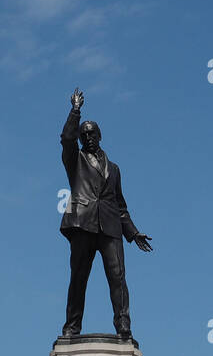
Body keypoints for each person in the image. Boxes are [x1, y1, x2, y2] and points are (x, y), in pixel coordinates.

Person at [59, 88, 152, 339]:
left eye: (92, 133)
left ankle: (124, 327)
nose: (88, 137)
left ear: (100, 136)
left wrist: (132, 232)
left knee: (118, 278)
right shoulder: (74, 160)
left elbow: (120, 205)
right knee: (79, 279)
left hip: (110, 227)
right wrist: (75, 111)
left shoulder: (115, 169)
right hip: (82, 224)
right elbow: (66, 138)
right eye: (84, 134)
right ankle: (72, 327)